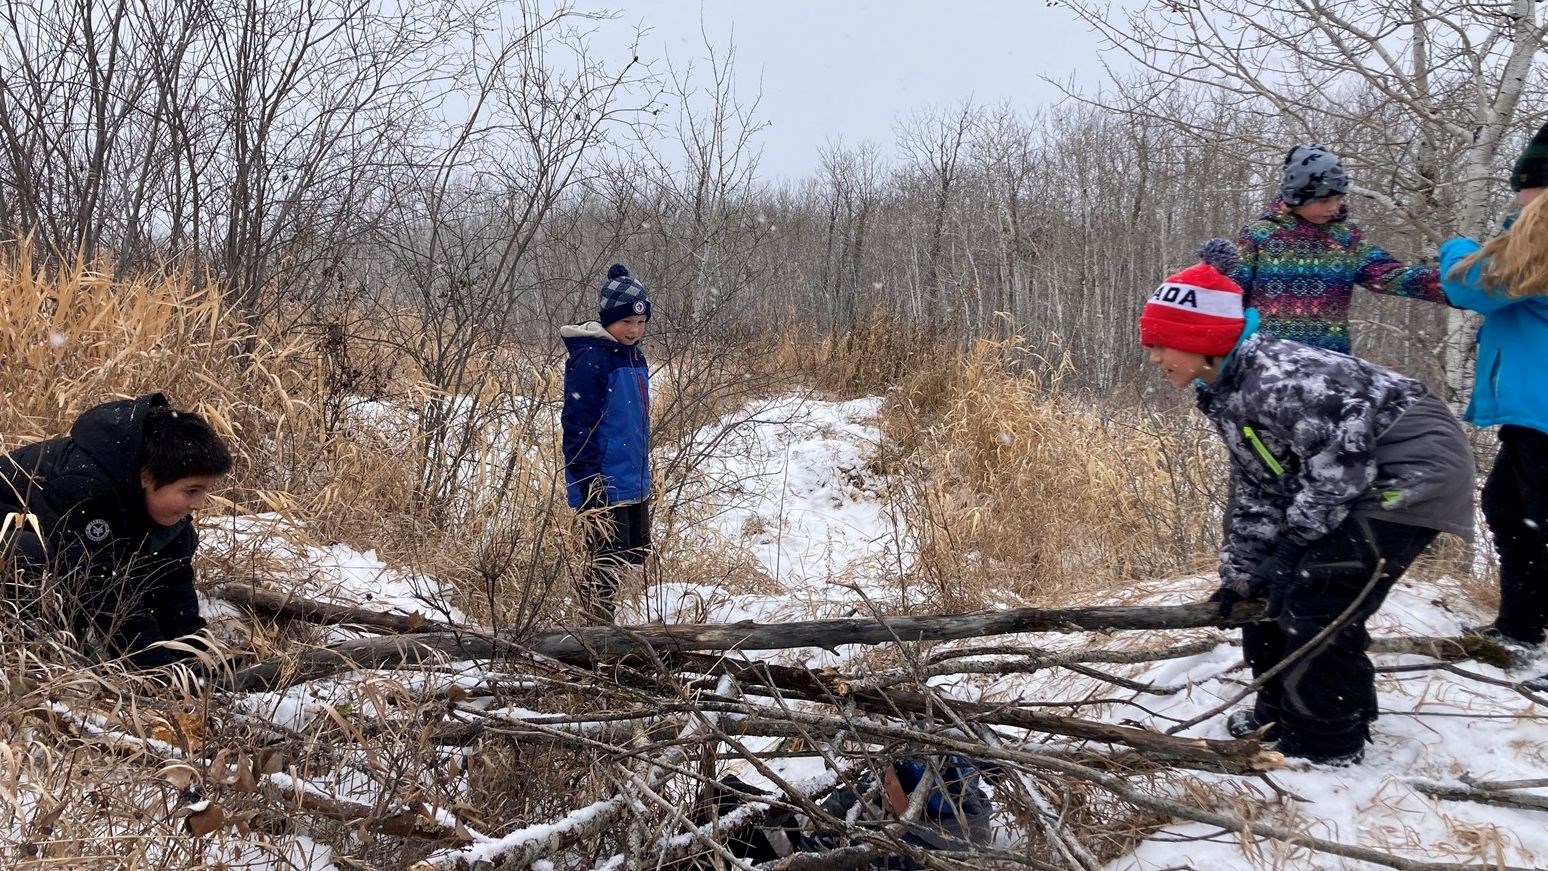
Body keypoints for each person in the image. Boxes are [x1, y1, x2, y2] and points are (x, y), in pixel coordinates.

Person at [1141, 240, 1475, 765]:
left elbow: (1344, 465)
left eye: (1162, 345)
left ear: (1203, 340)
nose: (1155, 358)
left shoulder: (1277, 376)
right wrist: (1243, 571)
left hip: (1412, 468)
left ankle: (1324, 743)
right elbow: (1261, 485)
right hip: (1355, 469)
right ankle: (1281, 712)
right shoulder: (1226, 390)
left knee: (1318, 594)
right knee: (1267, 596)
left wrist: (1295, 542)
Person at [0, 393, 231, 669]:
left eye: (204, 491)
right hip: (15, 540)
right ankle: (28, 658)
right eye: (191, 491)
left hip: (72, 545)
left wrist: (200, 663)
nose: (199, 504)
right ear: (146, 477)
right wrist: (159, 672)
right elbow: (102, 590)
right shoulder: (86, 489)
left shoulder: (168, 515)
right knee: (30, 554)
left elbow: (172, 589)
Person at [1438, 120, 1548, 674]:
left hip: (1541, 415)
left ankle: (1525, 630)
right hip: (1534, 414)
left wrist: (1456, 245)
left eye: (1524, 187)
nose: (1518, 197)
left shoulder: (1541, 240)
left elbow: (1470, 284)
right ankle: (1522, 627)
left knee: (1531, 519)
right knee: (1508, 508)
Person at [1229, 144, 1449, 354]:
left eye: (1339, 198)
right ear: (1298, 195)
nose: (1334, 207)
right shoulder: (1260, 235)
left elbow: (1392, 276)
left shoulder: (1345, 239)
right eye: (1325, 200)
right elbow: (1230, 297)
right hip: (1266, 364)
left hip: (1329, 365)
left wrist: (1456, 284)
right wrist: (1212, 371)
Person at [561, 263, 652, 623]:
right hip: (604, 483)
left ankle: (616, 626)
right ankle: (596, 633)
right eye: (626, 322)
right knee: (604, 563)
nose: (634, 330)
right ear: (608, 320)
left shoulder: (633, 355)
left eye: (641, 323)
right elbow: (577, 425)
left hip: (632, 478)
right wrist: (587, 484)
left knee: (631, 556)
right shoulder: (593, 360)